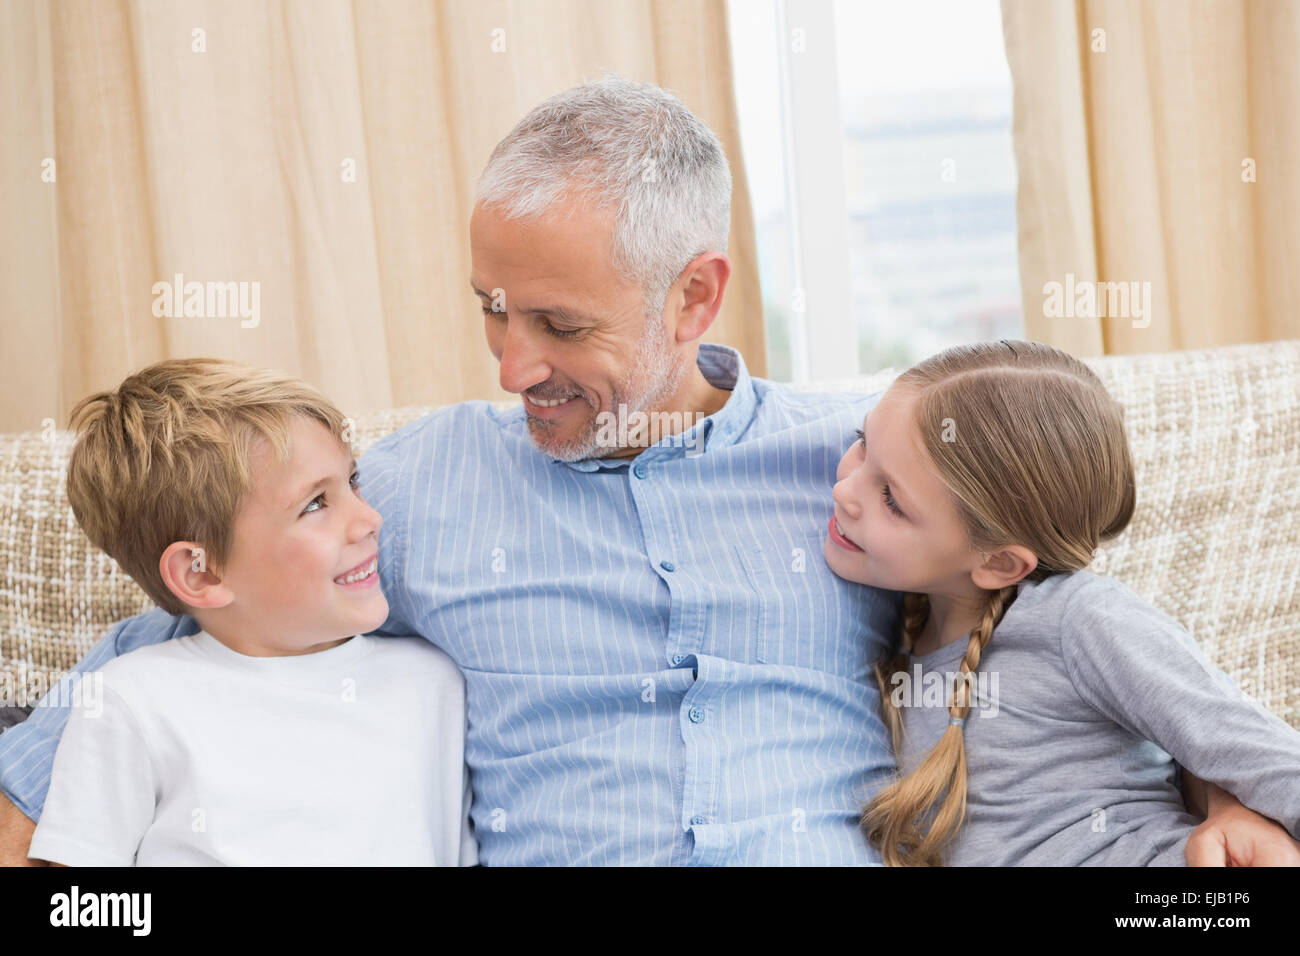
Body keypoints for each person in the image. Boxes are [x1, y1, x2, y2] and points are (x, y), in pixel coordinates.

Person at [2, 75, 1295, 866]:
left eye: (561, 327)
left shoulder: (865, 479)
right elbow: (202, 619)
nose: (511, 366)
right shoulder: (419, 486)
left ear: (695, 296)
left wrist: (1227, 794)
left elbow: (1059, 614)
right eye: (491, 309)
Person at [824, 340, 1300, 865]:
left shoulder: (1080, 618)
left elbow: (1258, 753)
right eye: (862, 442)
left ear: (1000, 563)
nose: (845, 488)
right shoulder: (894, 631)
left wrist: (1230, 809)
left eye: (892, 499)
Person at [24, 359, 474, 866]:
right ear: (202, 573)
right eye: (315, 504)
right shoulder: (130, 701)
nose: (369, 519)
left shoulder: (438, 683)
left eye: (354, 481)